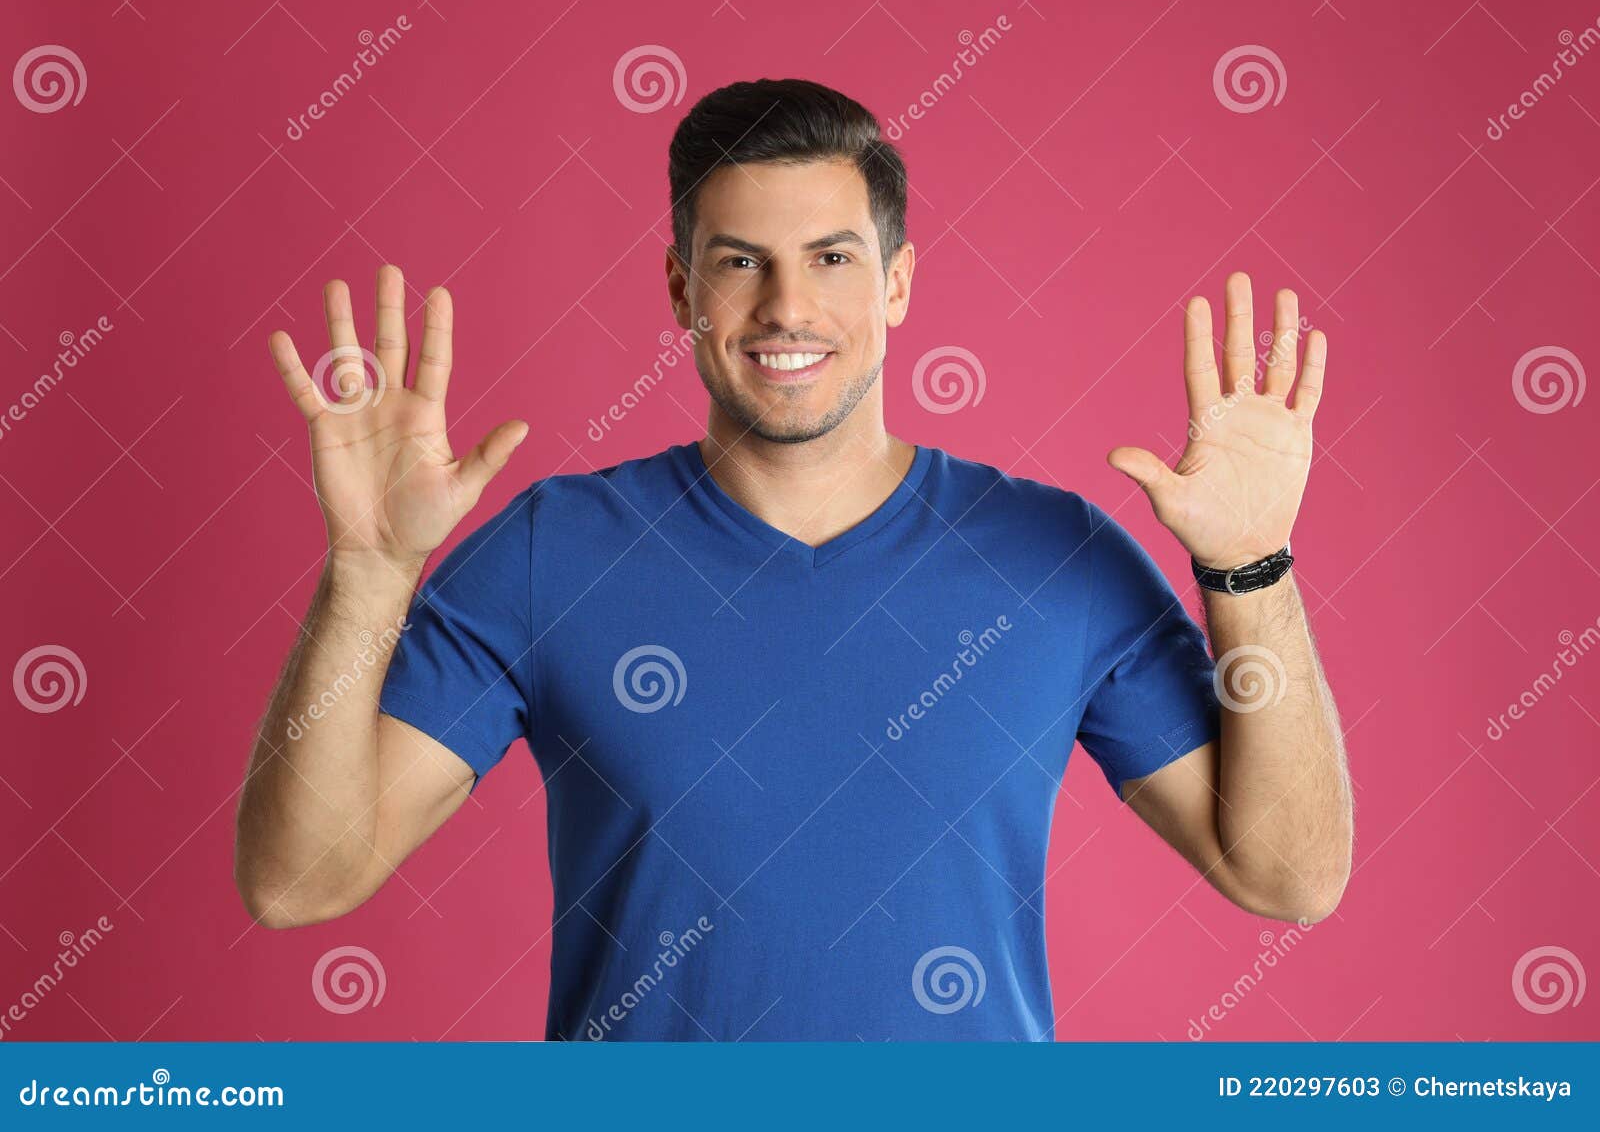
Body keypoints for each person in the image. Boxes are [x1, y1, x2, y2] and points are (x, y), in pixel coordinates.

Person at [235, 78, 1352, 1041]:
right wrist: (372, 575)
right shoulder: (550, 550)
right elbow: (299, 879)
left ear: (897, 284)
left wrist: (1251, 566)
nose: (787, 306)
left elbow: (1288, 874)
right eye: (739, 261)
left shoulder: (1054, 557)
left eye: (830, 257)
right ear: (681, 289)